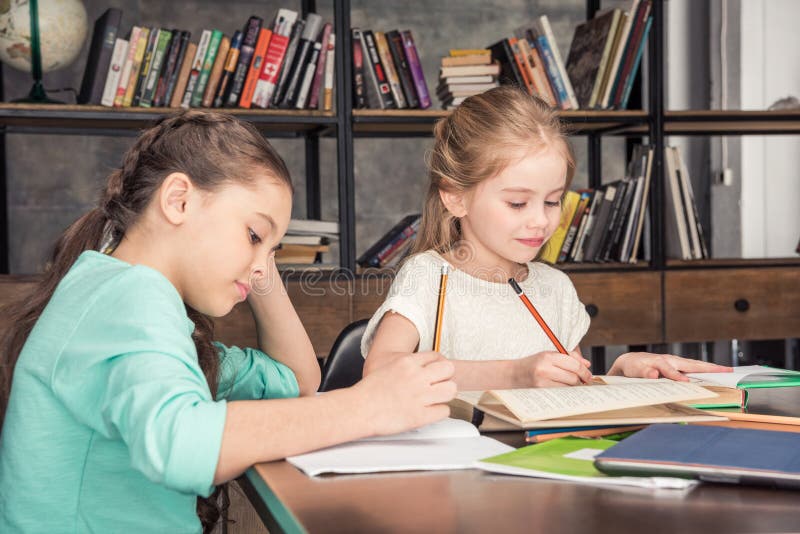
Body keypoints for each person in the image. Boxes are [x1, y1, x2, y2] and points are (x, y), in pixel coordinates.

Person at [0, 111, 456, 533]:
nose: (263, 266)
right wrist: (367, 407)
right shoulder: (130, 297)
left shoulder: (113, 293)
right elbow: (182, 444)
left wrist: (258, 259)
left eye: (273, 251)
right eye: (253, 234)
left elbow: (298, 381)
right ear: (178, 200)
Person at [362, 86, 730, 390]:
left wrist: (620, 377)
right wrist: (513, 375)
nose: (541, 220)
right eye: (518, 203)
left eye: (553, 201)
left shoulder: (555, 288)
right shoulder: (428, 276)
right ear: (456, 196)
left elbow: (568, 391)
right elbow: (379, 373)